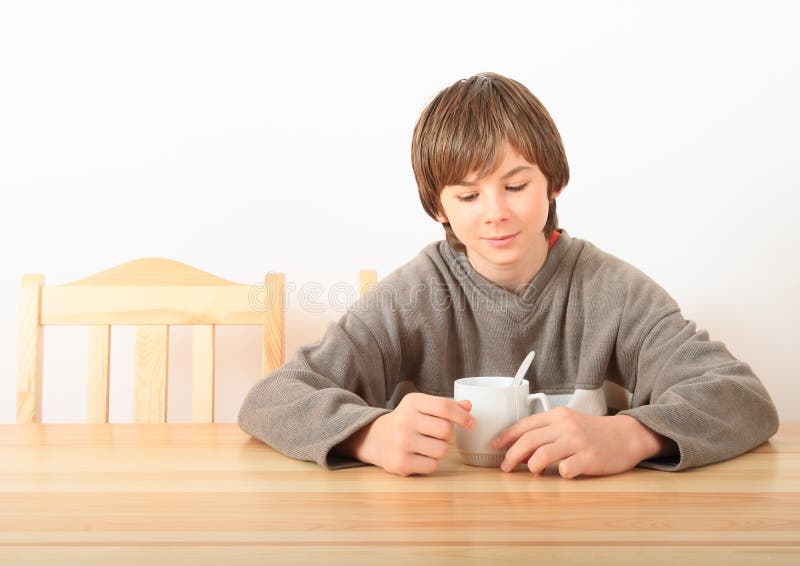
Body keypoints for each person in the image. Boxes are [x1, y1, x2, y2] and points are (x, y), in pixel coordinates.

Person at [238, 72, 780, 478]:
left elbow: (743, 397)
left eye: (516, 186)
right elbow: (271, 399)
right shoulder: (413, 295)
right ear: (439, 208)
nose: (495, 212)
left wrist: (631, 436)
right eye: (468, 196)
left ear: (554, 183)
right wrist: (369, 436)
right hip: (441, 533)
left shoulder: (614, 293)